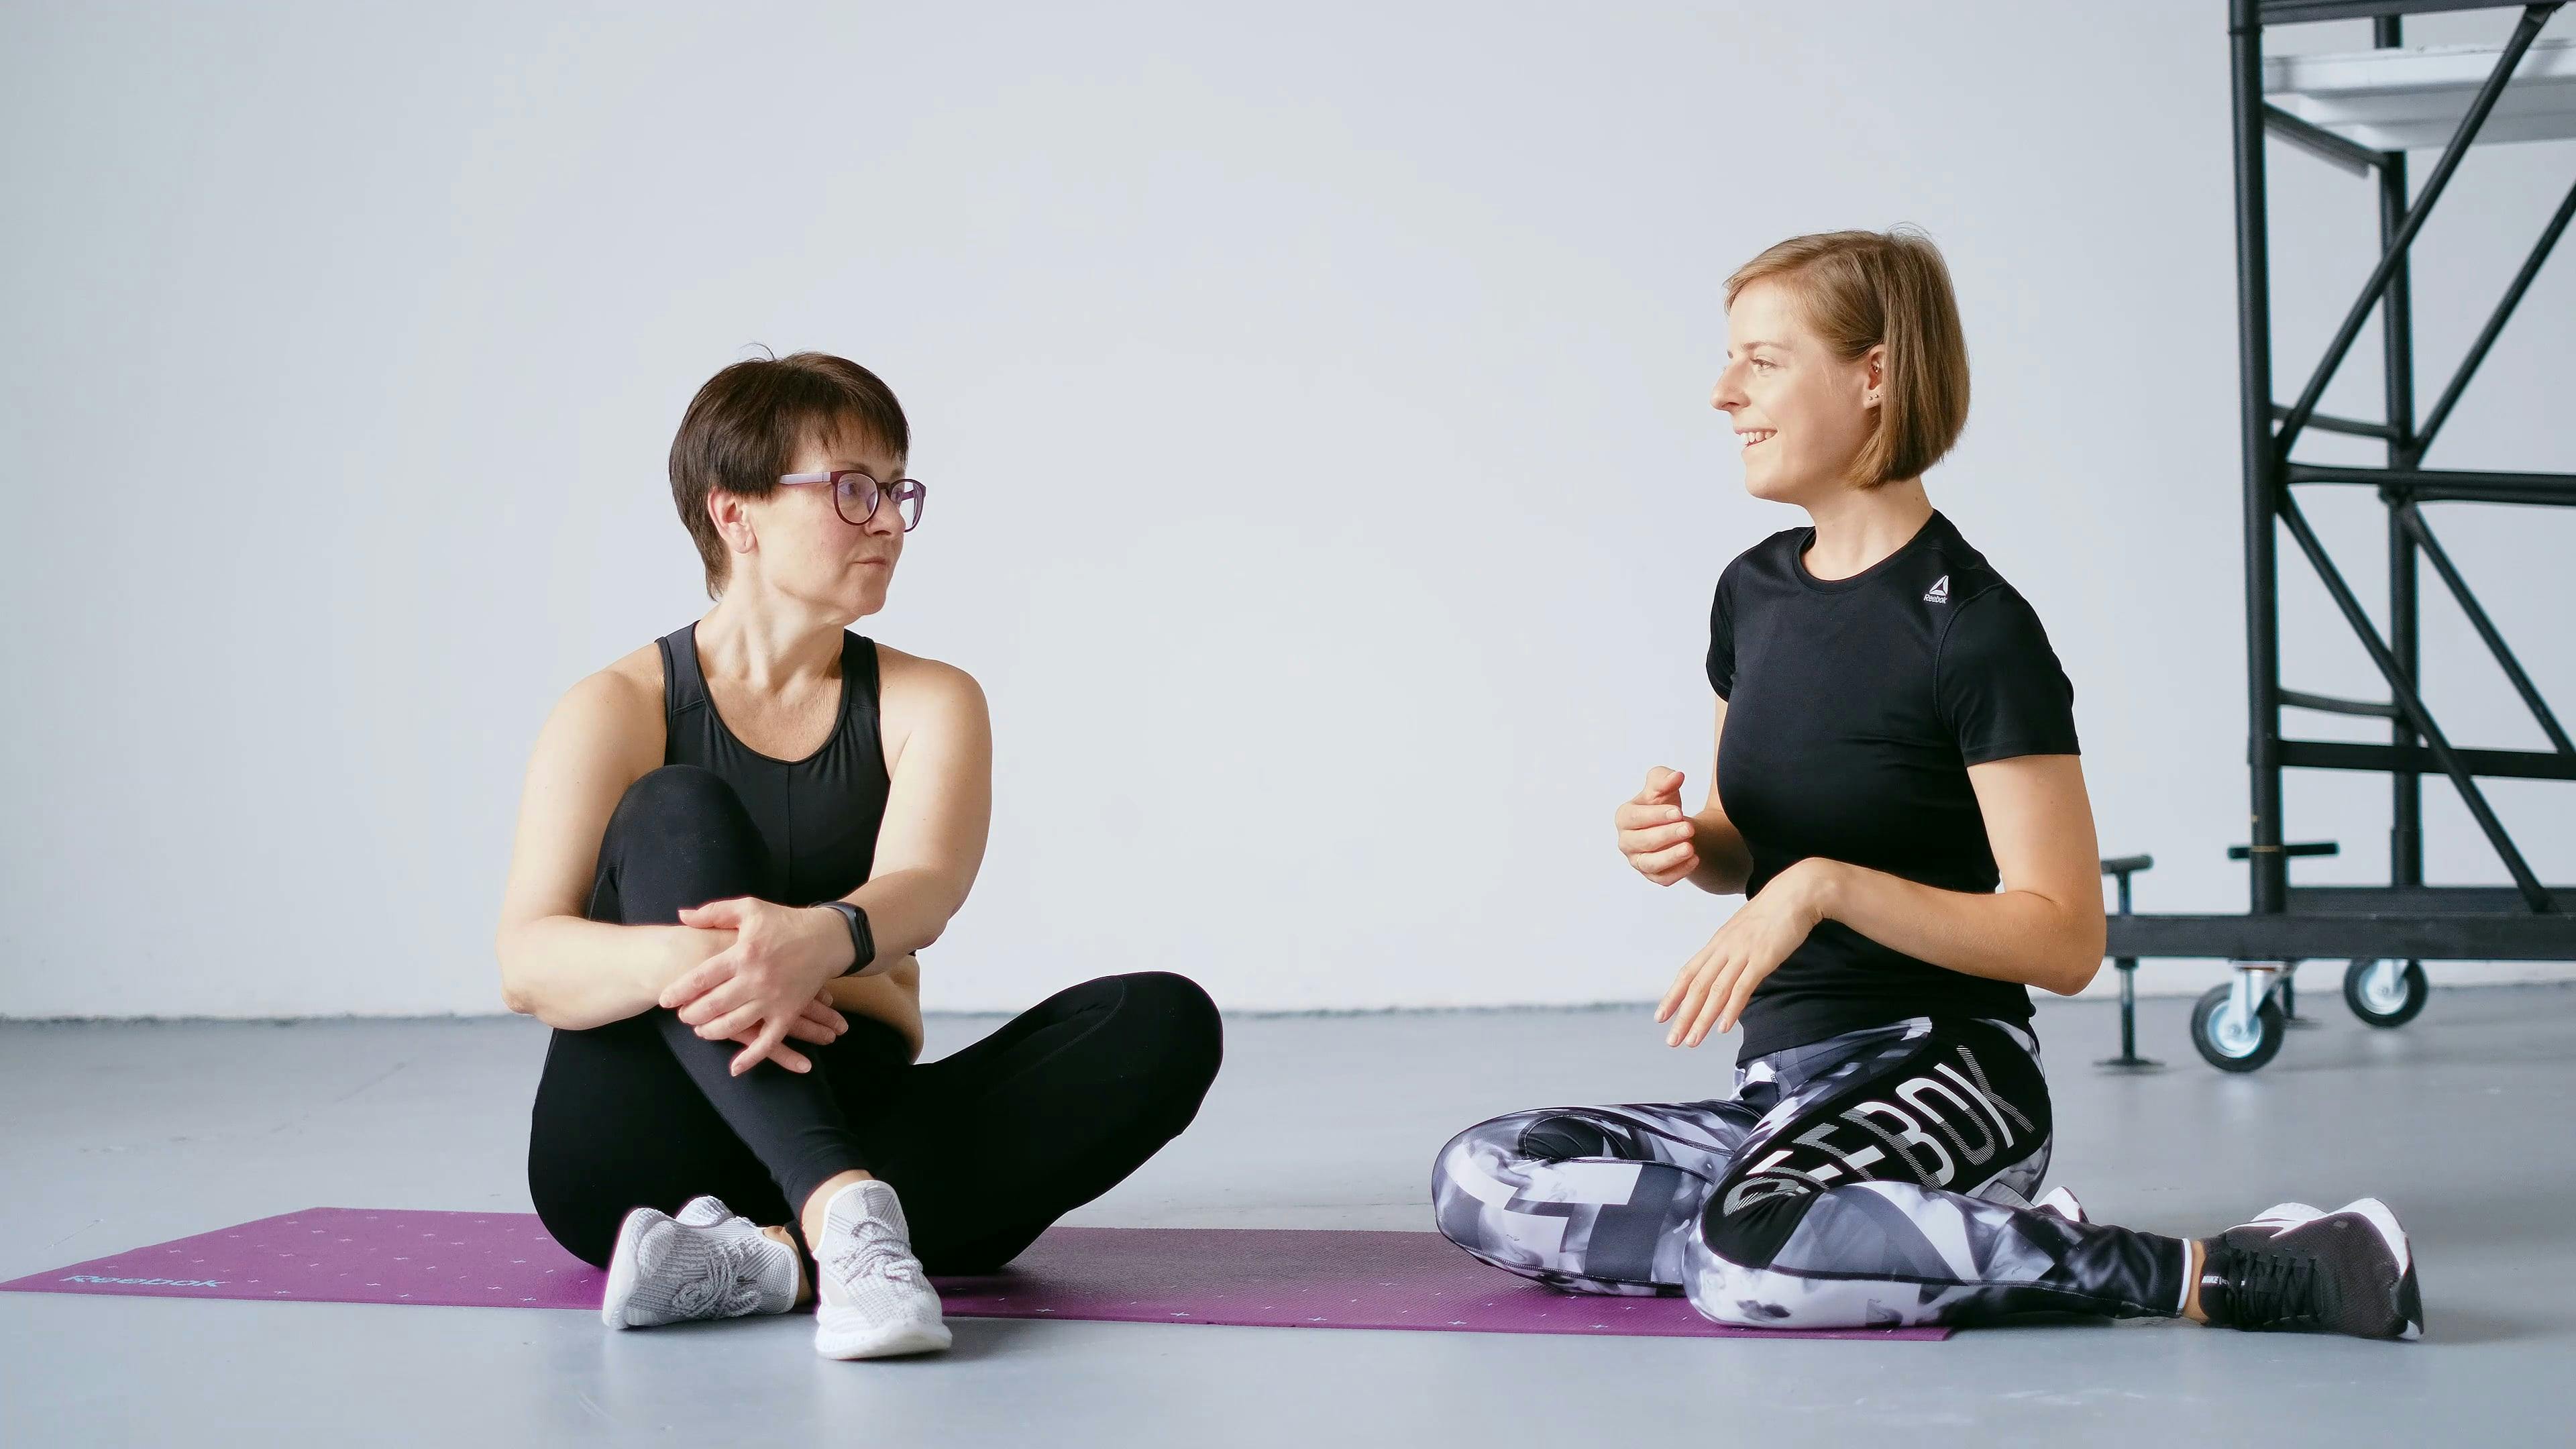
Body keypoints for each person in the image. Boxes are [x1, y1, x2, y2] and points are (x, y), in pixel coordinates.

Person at [1429, 229, 2421, 1339]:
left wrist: (1825, 887)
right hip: (1786, 1096)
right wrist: (1683, 842)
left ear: (1875, 374)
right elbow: (1742, 852)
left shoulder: (1979, 631)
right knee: (1487, 1178)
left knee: (1745, 1263)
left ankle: (2219, 1273)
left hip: (1955, 1074)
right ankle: (1884, 1234)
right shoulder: (1751, 594)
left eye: (1761, 361)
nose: (1723, 394)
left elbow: (2065, 940)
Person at [496, 352, 1224, 1359]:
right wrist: (732, 964)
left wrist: (824, 937)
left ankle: (773, 1262)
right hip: (639, 1159)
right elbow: (528, 962)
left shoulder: (932, 701)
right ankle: (844, 1215)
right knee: (675, 807)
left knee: (1163, 1021)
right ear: (735, 515)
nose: (886, 519)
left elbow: (923, 890)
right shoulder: (617, 709)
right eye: (850, 490)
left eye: (894, 491)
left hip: (866, 1111)